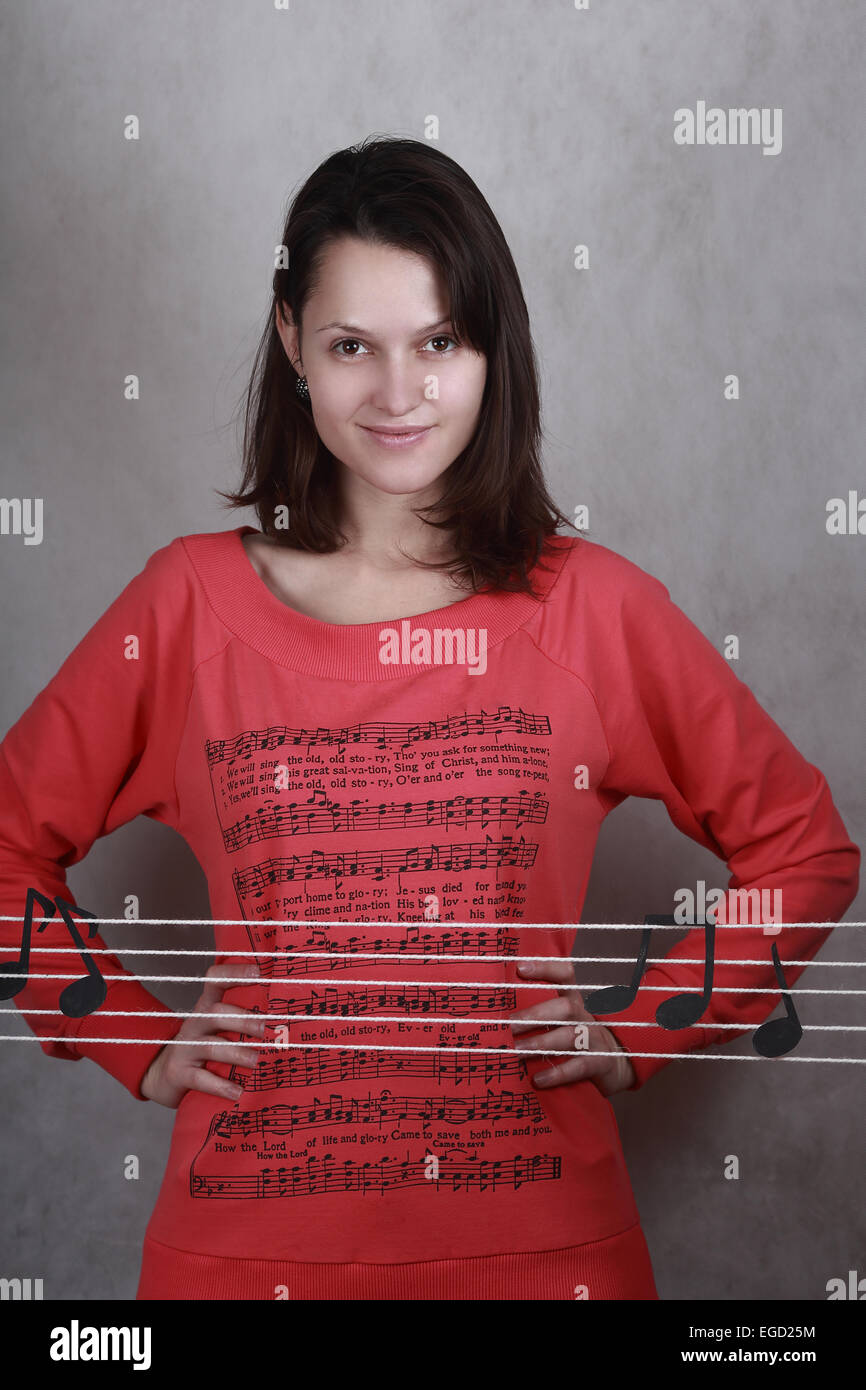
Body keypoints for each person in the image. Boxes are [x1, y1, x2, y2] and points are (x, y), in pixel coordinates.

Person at [0, 136, 858, 1302]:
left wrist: (635, 1028)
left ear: (489, 348)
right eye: (353, 345)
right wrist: (135, 1038)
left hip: (547, 1262)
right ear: (292, 340)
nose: (397, 394)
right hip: (244, 1268)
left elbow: (803, 849)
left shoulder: (594, 607)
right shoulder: (184, 607)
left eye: (438, 342)